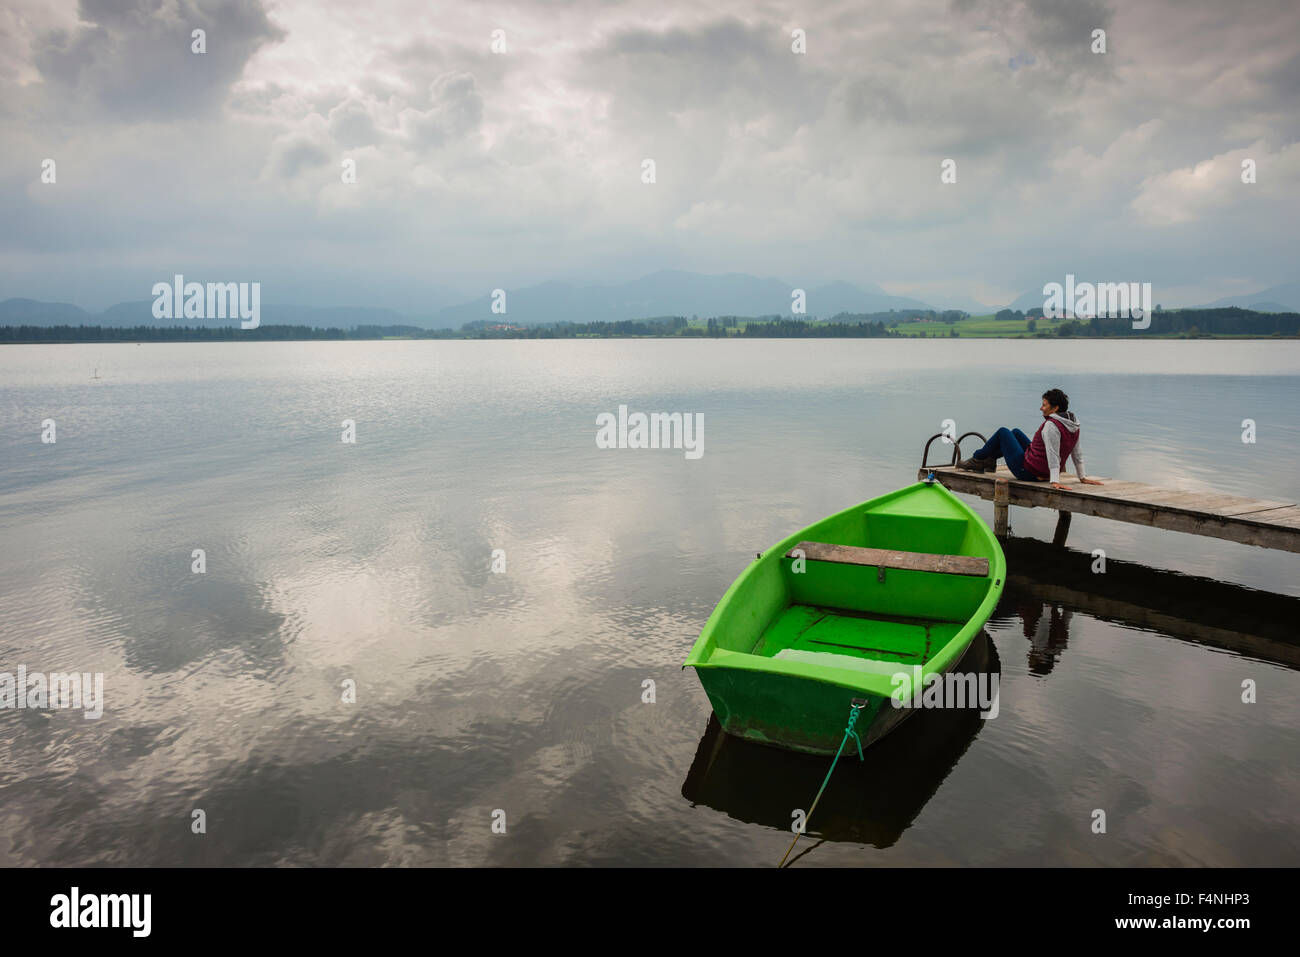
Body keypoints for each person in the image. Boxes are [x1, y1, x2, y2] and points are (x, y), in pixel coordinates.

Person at [956, 389, 1104, 490]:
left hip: (1028, 472)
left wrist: (1054, 481)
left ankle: (977, 459)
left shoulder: (1051, 426)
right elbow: (1077, 453)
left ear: (1055, 408)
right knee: (1015, 432)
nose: (1041, 408)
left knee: (1003, 432)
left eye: (1044, 405)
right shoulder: (1073, 424)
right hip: (1040, 468)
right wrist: (1082, 477)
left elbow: (1053, 455)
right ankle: (988, 461)